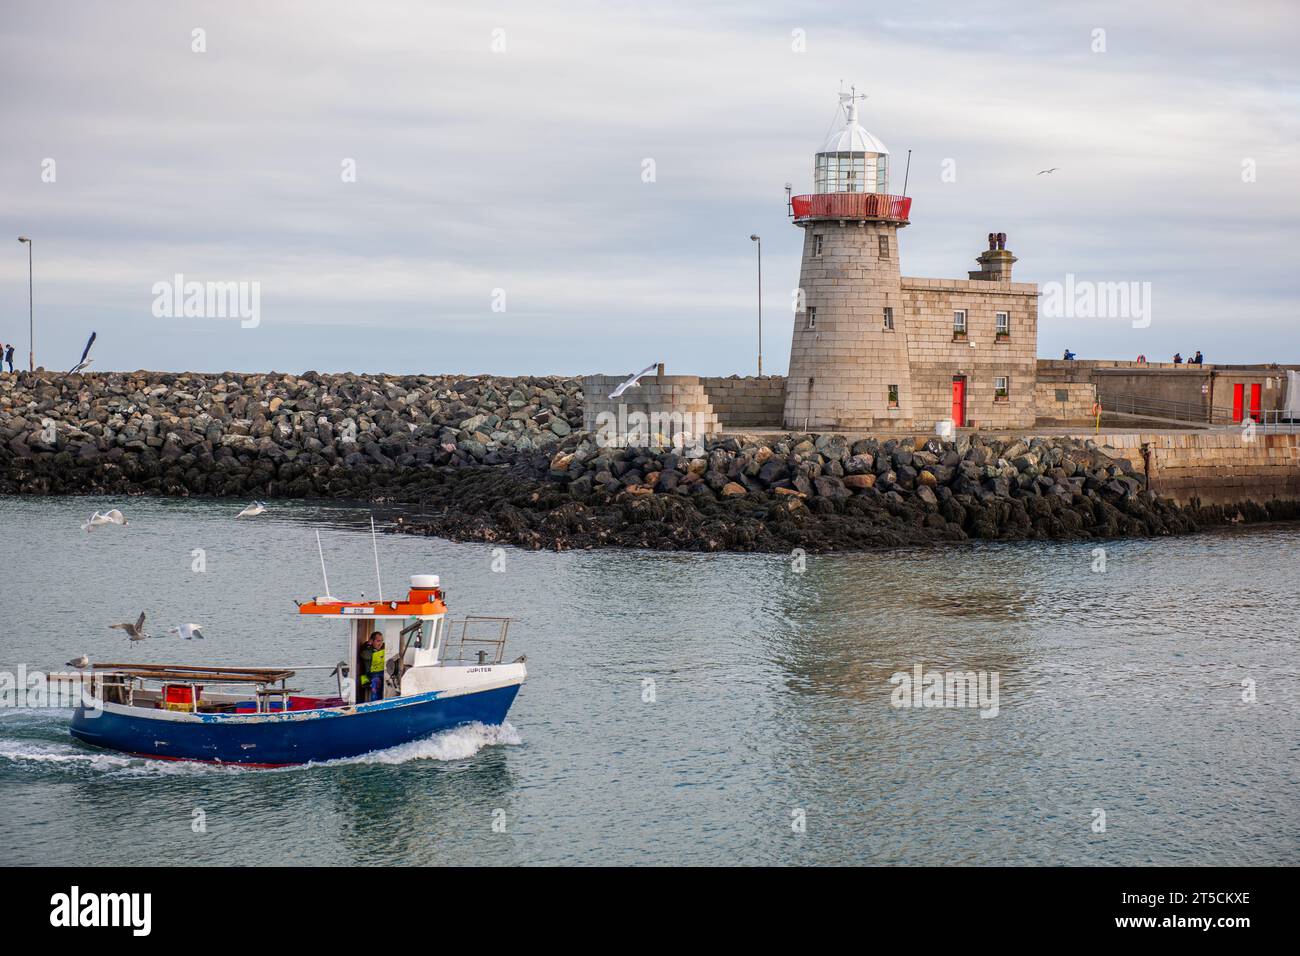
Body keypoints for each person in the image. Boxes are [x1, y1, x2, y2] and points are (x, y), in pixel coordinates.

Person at [363, 631, 386, 702]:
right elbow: (366, 656)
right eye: (378, 641)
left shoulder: (384, 649)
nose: (380, 643)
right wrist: (369, 645)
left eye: (382, 641)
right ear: (372, 641)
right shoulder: (367, 650)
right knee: (376, 681)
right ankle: (375, 703)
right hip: (372, 674)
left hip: (384, 672)